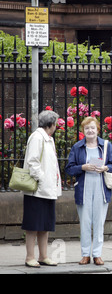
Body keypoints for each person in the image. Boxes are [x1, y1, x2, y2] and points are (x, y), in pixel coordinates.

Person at [65, 116, 112, 265]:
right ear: (83, 130)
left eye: (92, 128)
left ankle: (97, 254)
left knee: (99, 222)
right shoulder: (77, 147)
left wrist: (106, 168)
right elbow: (69, 169)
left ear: (97, 130)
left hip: (101, 187)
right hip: (84, 187)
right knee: (85, 222)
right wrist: (83, 167)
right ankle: (85, 254)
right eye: (87, 128)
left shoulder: (106, 145)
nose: (90, 130)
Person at [21, 110, 62, 268]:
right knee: (32, 225)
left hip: (48, 190)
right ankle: (30, 257)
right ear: (50, 124)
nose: (56, 127)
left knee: (45, 224)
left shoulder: (48, 139)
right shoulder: (37, 138)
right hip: (37, 190)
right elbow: (33, 162)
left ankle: (43, 256)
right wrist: (43, 179)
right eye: (55, 124)